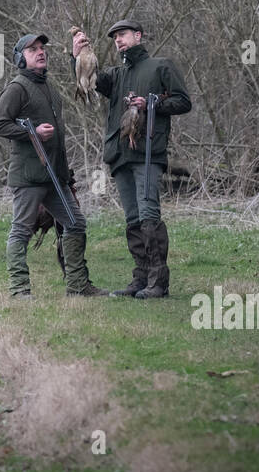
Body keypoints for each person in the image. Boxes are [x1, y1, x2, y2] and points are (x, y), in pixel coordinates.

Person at [71, 20, 190, 298]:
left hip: (148, 152)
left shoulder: (161, 66)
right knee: (133, 218)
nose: (117, 40)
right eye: (114, 37)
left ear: (138, 35)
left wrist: (152, 103)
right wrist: (76, 56)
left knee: (149, 213)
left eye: (122, 35)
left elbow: (184, 102)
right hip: (120, 155)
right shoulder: (117, 74)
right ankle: (140, 279)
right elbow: (88, 80)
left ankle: (158, 282)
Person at [0, 33, 107, 298]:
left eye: (42, 48)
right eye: (33, 50)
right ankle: (20, 290)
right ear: (21, 58)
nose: (40, 52)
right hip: (29, 176)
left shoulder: (49, 88)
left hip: (55, 176)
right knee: (21, 230)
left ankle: (78, 286)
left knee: (75, 224)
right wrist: (31, 132)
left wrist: (66, 175)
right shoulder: (16, 88)